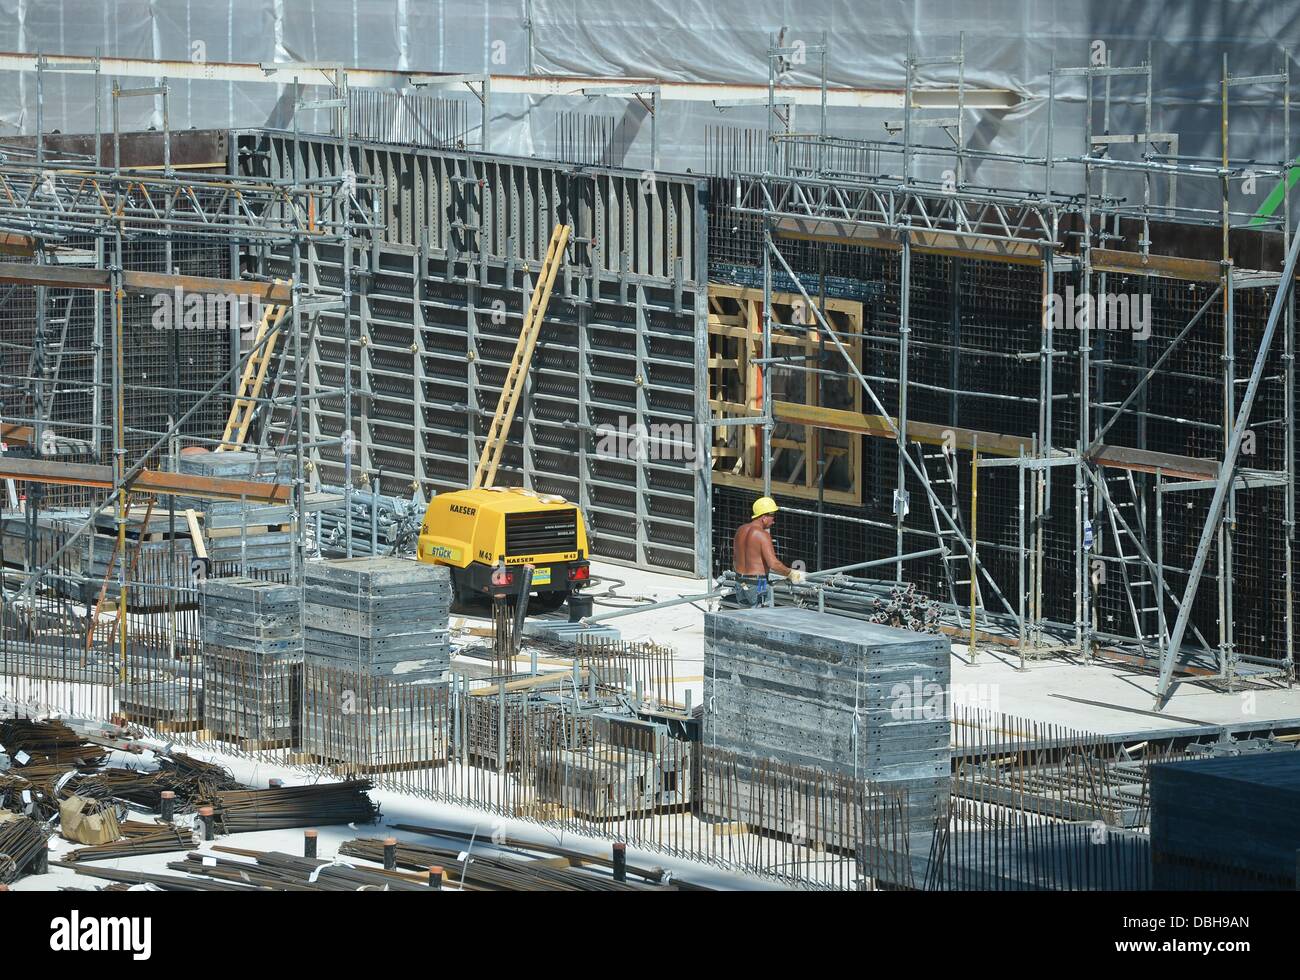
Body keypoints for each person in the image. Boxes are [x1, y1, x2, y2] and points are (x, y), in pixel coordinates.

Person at [732, 496, 805, 607]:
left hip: (740, 582)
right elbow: (773, 564)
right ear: (764, 517)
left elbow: (735, 559)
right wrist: (791, 574)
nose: (774, 521)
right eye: (772, 516)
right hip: (758, 583)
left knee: (745, 617)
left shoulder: (740, 530)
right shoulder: (763, 535)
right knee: (762, 617)